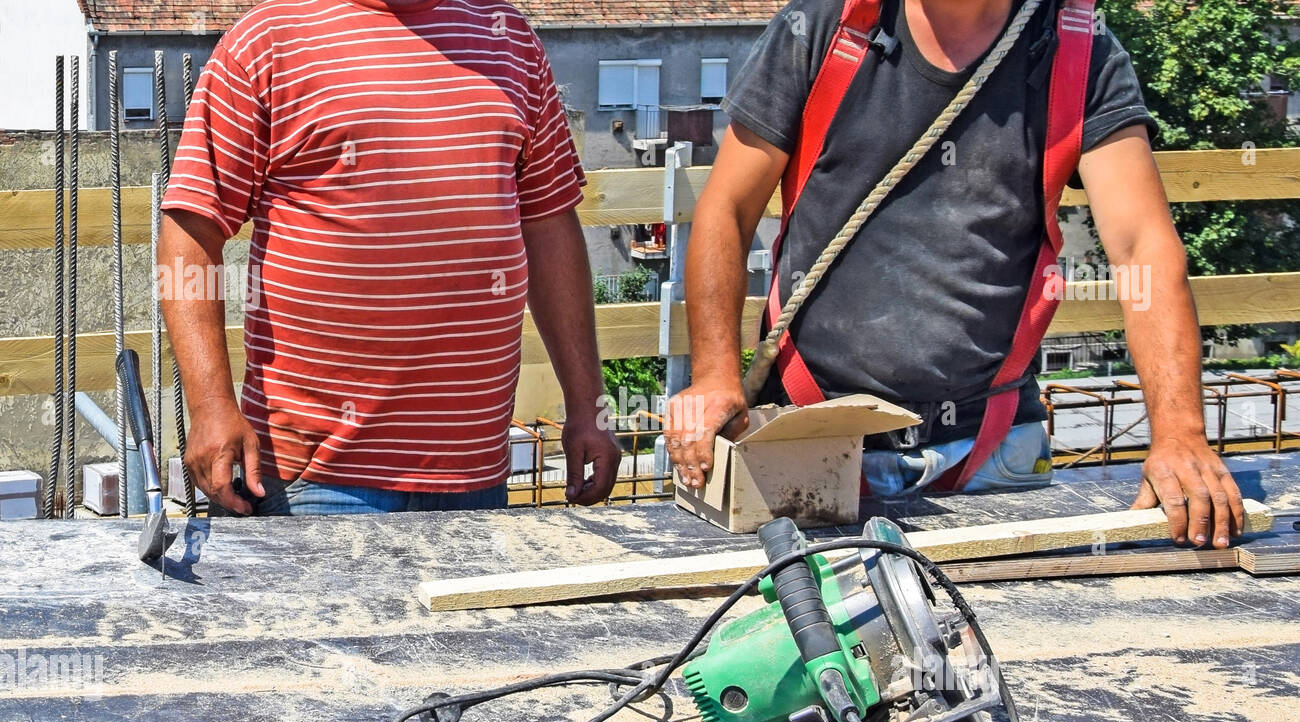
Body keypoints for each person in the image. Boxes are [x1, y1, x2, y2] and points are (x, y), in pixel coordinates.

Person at [666, 0, 1246, 549]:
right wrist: (715, 374)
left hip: (995, 448)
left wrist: (1178, 434)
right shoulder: (826, 27)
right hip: (809, 441)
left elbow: (1140, 243)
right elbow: (728, 210)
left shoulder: (1078, 50)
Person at [161, 0, 620, 516]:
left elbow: (549, 224)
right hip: (314, 480)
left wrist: (588, 404)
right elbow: (190, 232)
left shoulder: (509, 37)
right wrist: (210, 405)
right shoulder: (268, 40)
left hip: (474, 474)